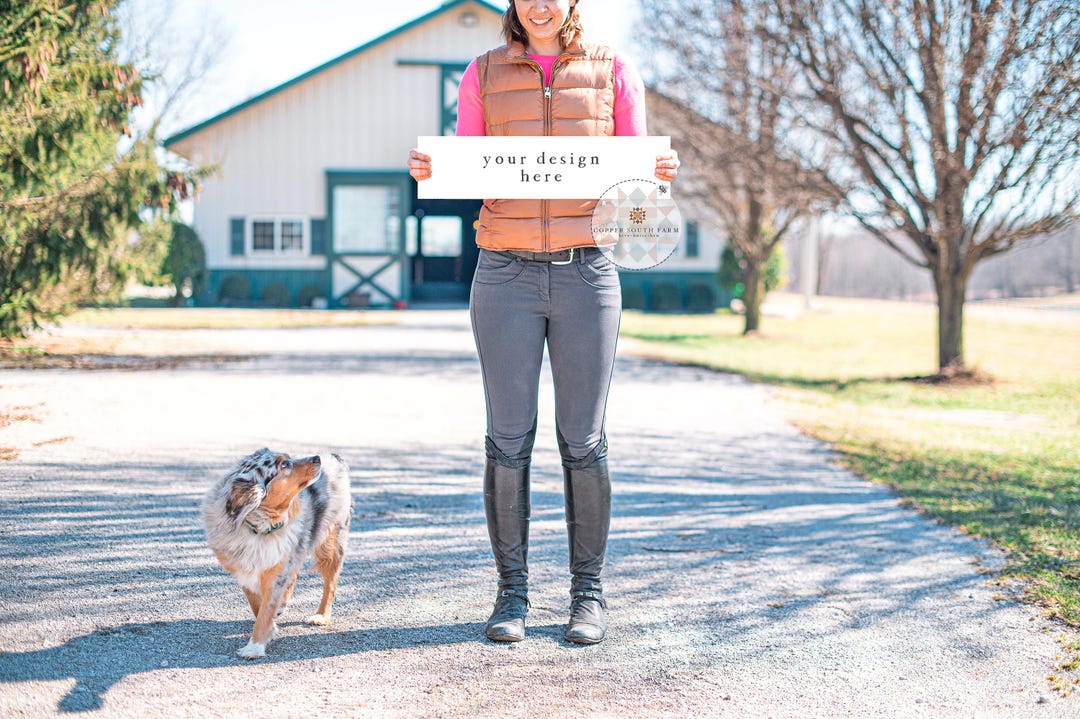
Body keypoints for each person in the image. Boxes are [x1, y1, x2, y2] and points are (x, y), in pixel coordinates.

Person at [408, 0, 679, 645]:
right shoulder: (481, 73)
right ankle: (512, 594)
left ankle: (588, 596)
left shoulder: (615, 71)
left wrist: (658, 175)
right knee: (508, 435)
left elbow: (636, 190)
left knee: (582, 438)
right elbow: (466, 165)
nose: (540, 4)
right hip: (503, 275)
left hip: (588, 275)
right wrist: (433, 170)